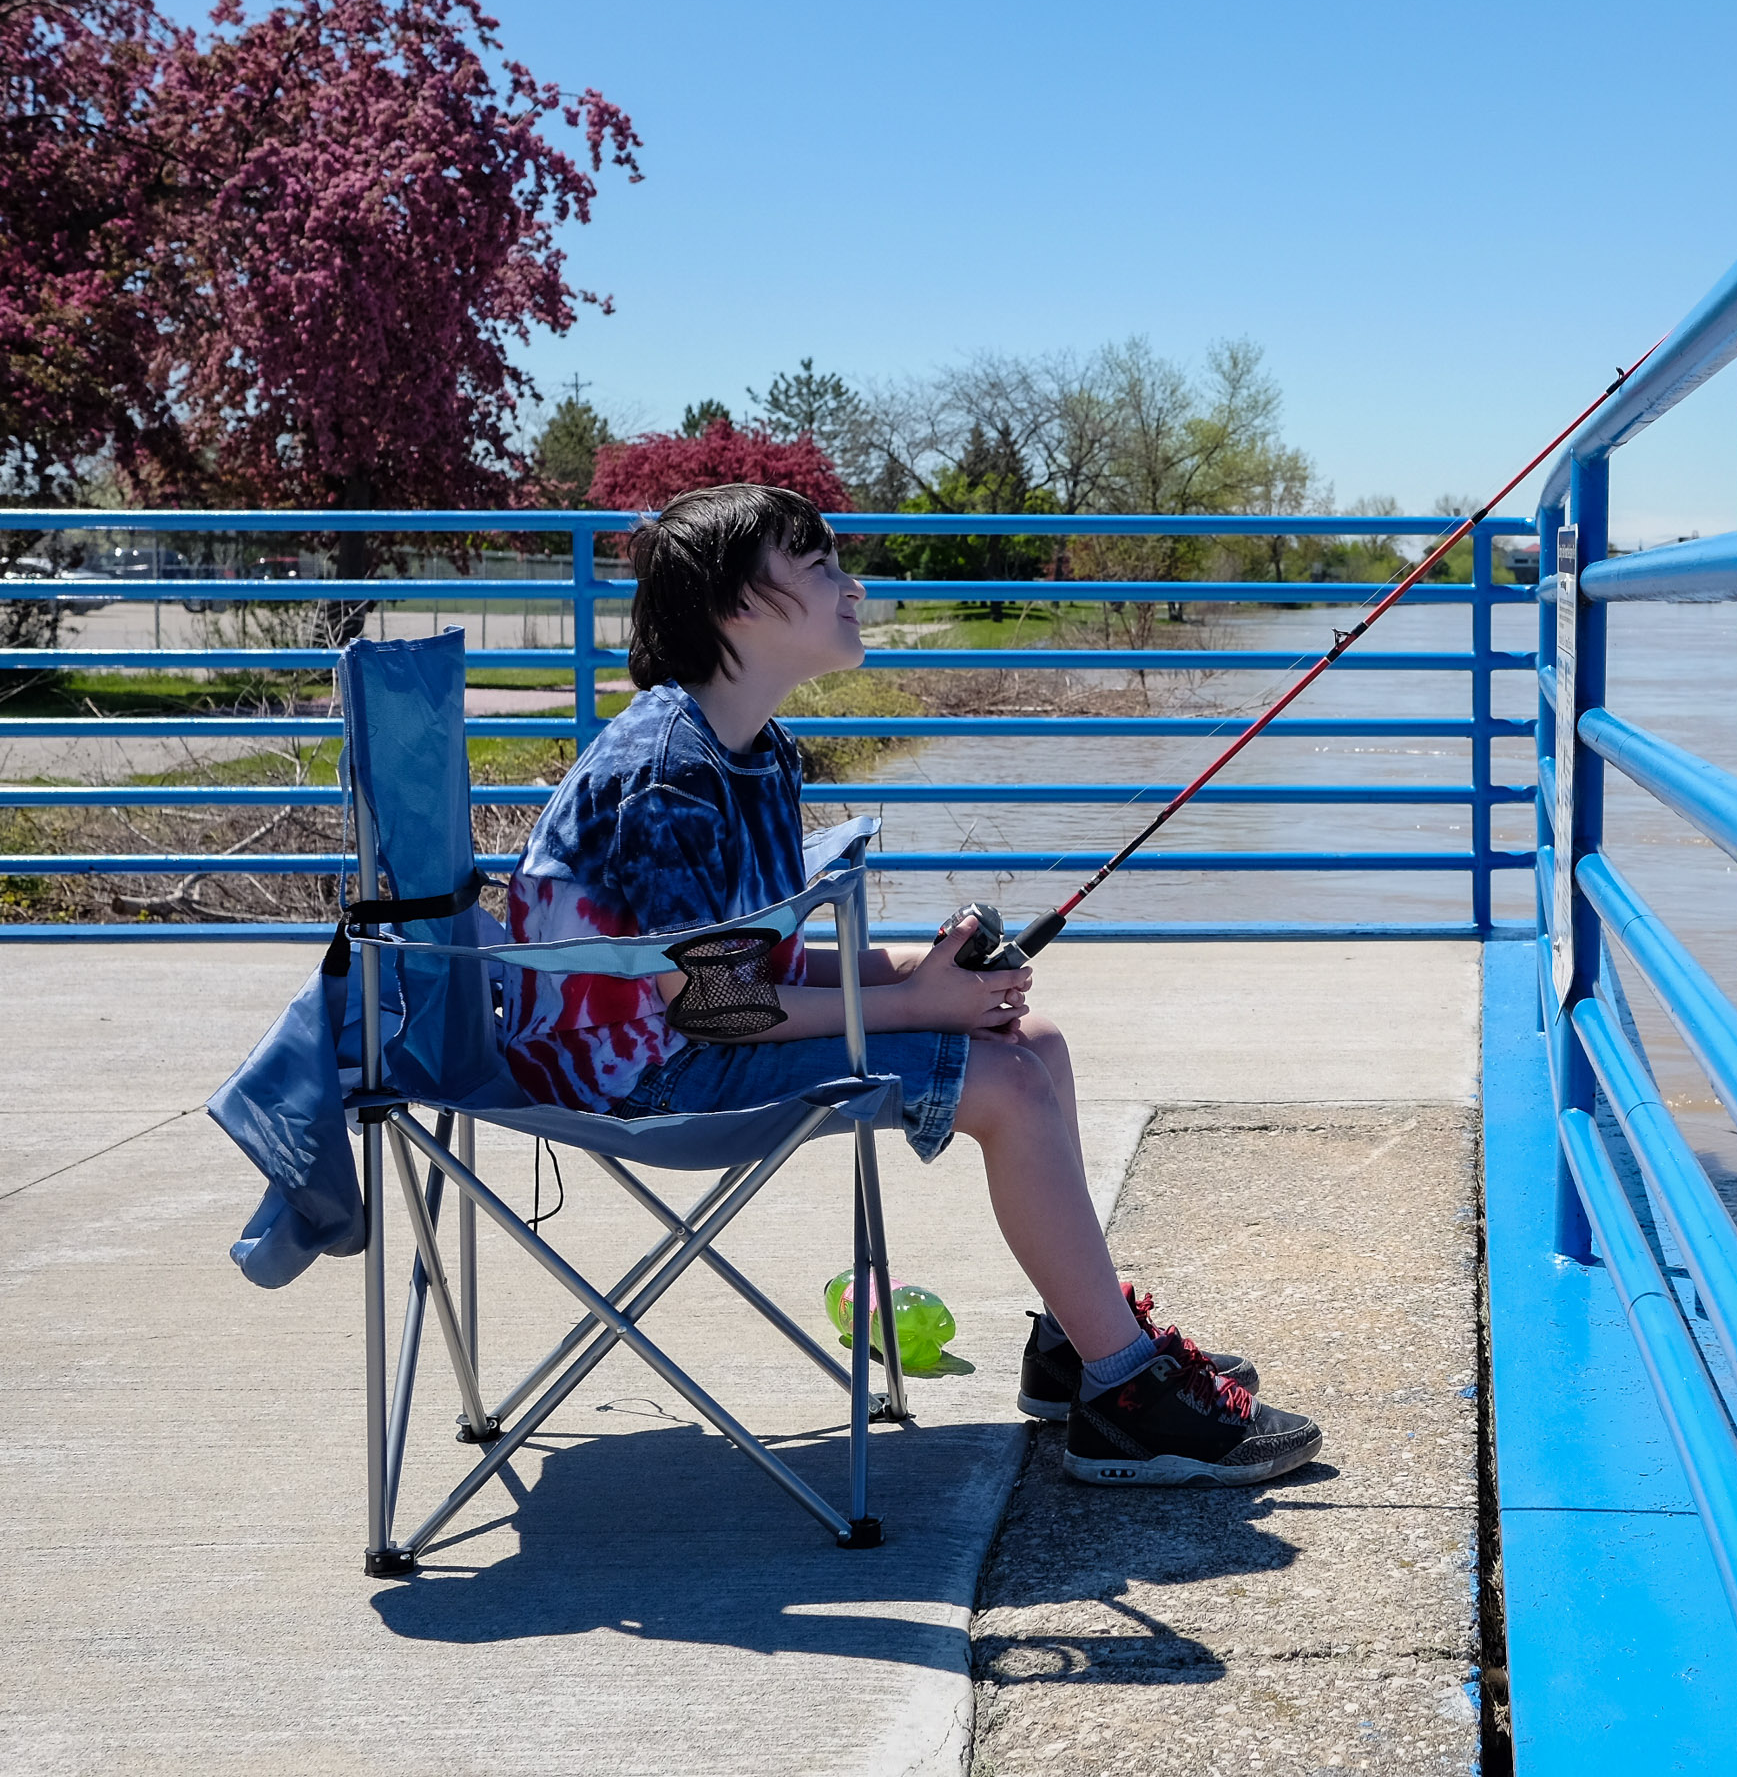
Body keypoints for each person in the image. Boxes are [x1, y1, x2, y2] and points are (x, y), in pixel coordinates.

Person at [502, 482, 1317, 1487]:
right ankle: (1126, 1396)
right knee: (1007, 1088)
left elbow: (751, 962)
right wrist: (911, 1005)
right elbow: (707, 1004)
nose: (854, 584)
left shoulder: (752, 749)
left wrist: (930, 975)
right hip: (643, 1080)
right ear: (739, 607)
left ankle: (1080, 1341)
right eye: (822, 567)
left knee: (1035, 1044)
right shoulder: (671, 768)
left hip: (692, 1041)